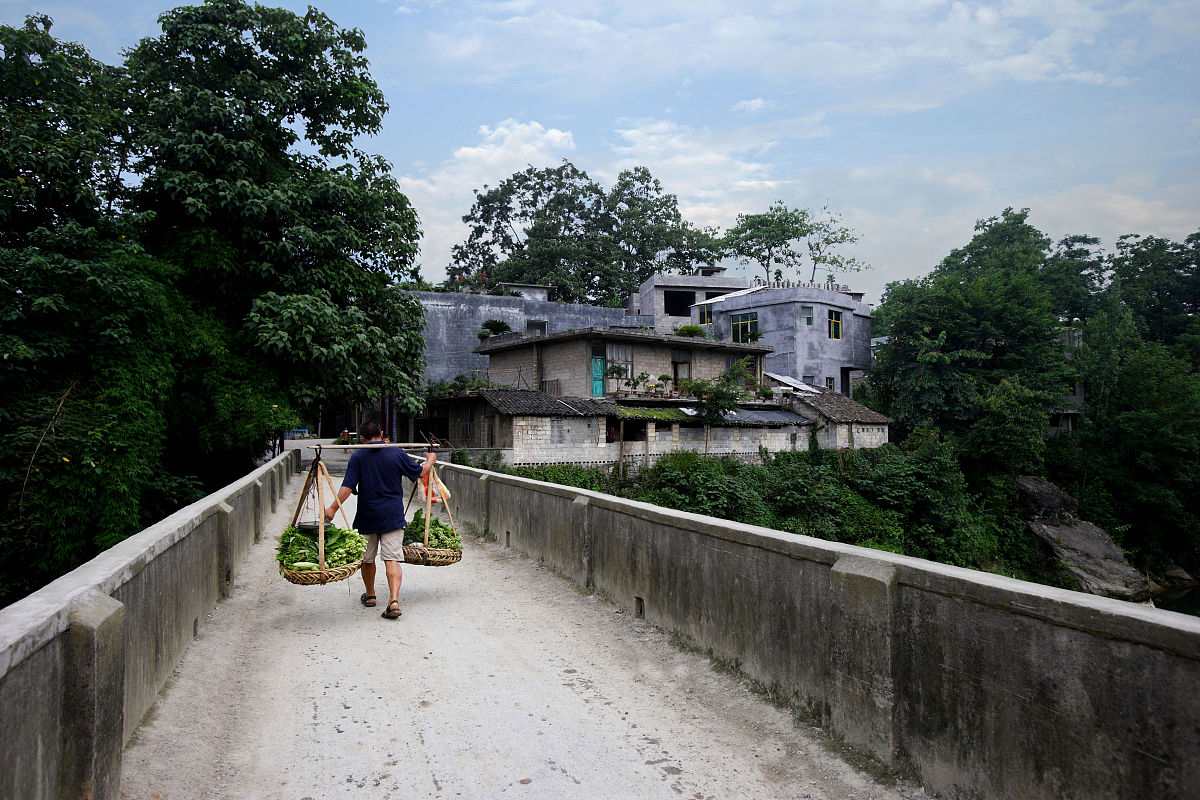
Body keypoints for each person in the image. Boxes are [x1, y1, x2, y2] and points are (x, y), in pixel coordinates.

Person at [324, 419, 435, 619]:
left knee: (367, 559)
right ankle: (393, 600)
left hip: (368, 516)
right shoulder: (397, 453)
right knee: (392, 558)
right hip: (392, 516)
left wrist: (332, 509)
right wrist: (431, 458)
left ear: (362, 438)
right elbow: (421, 472)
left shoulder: (358, 457)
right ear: (382, 434)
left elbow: (347, 487)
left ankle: (371, 595)